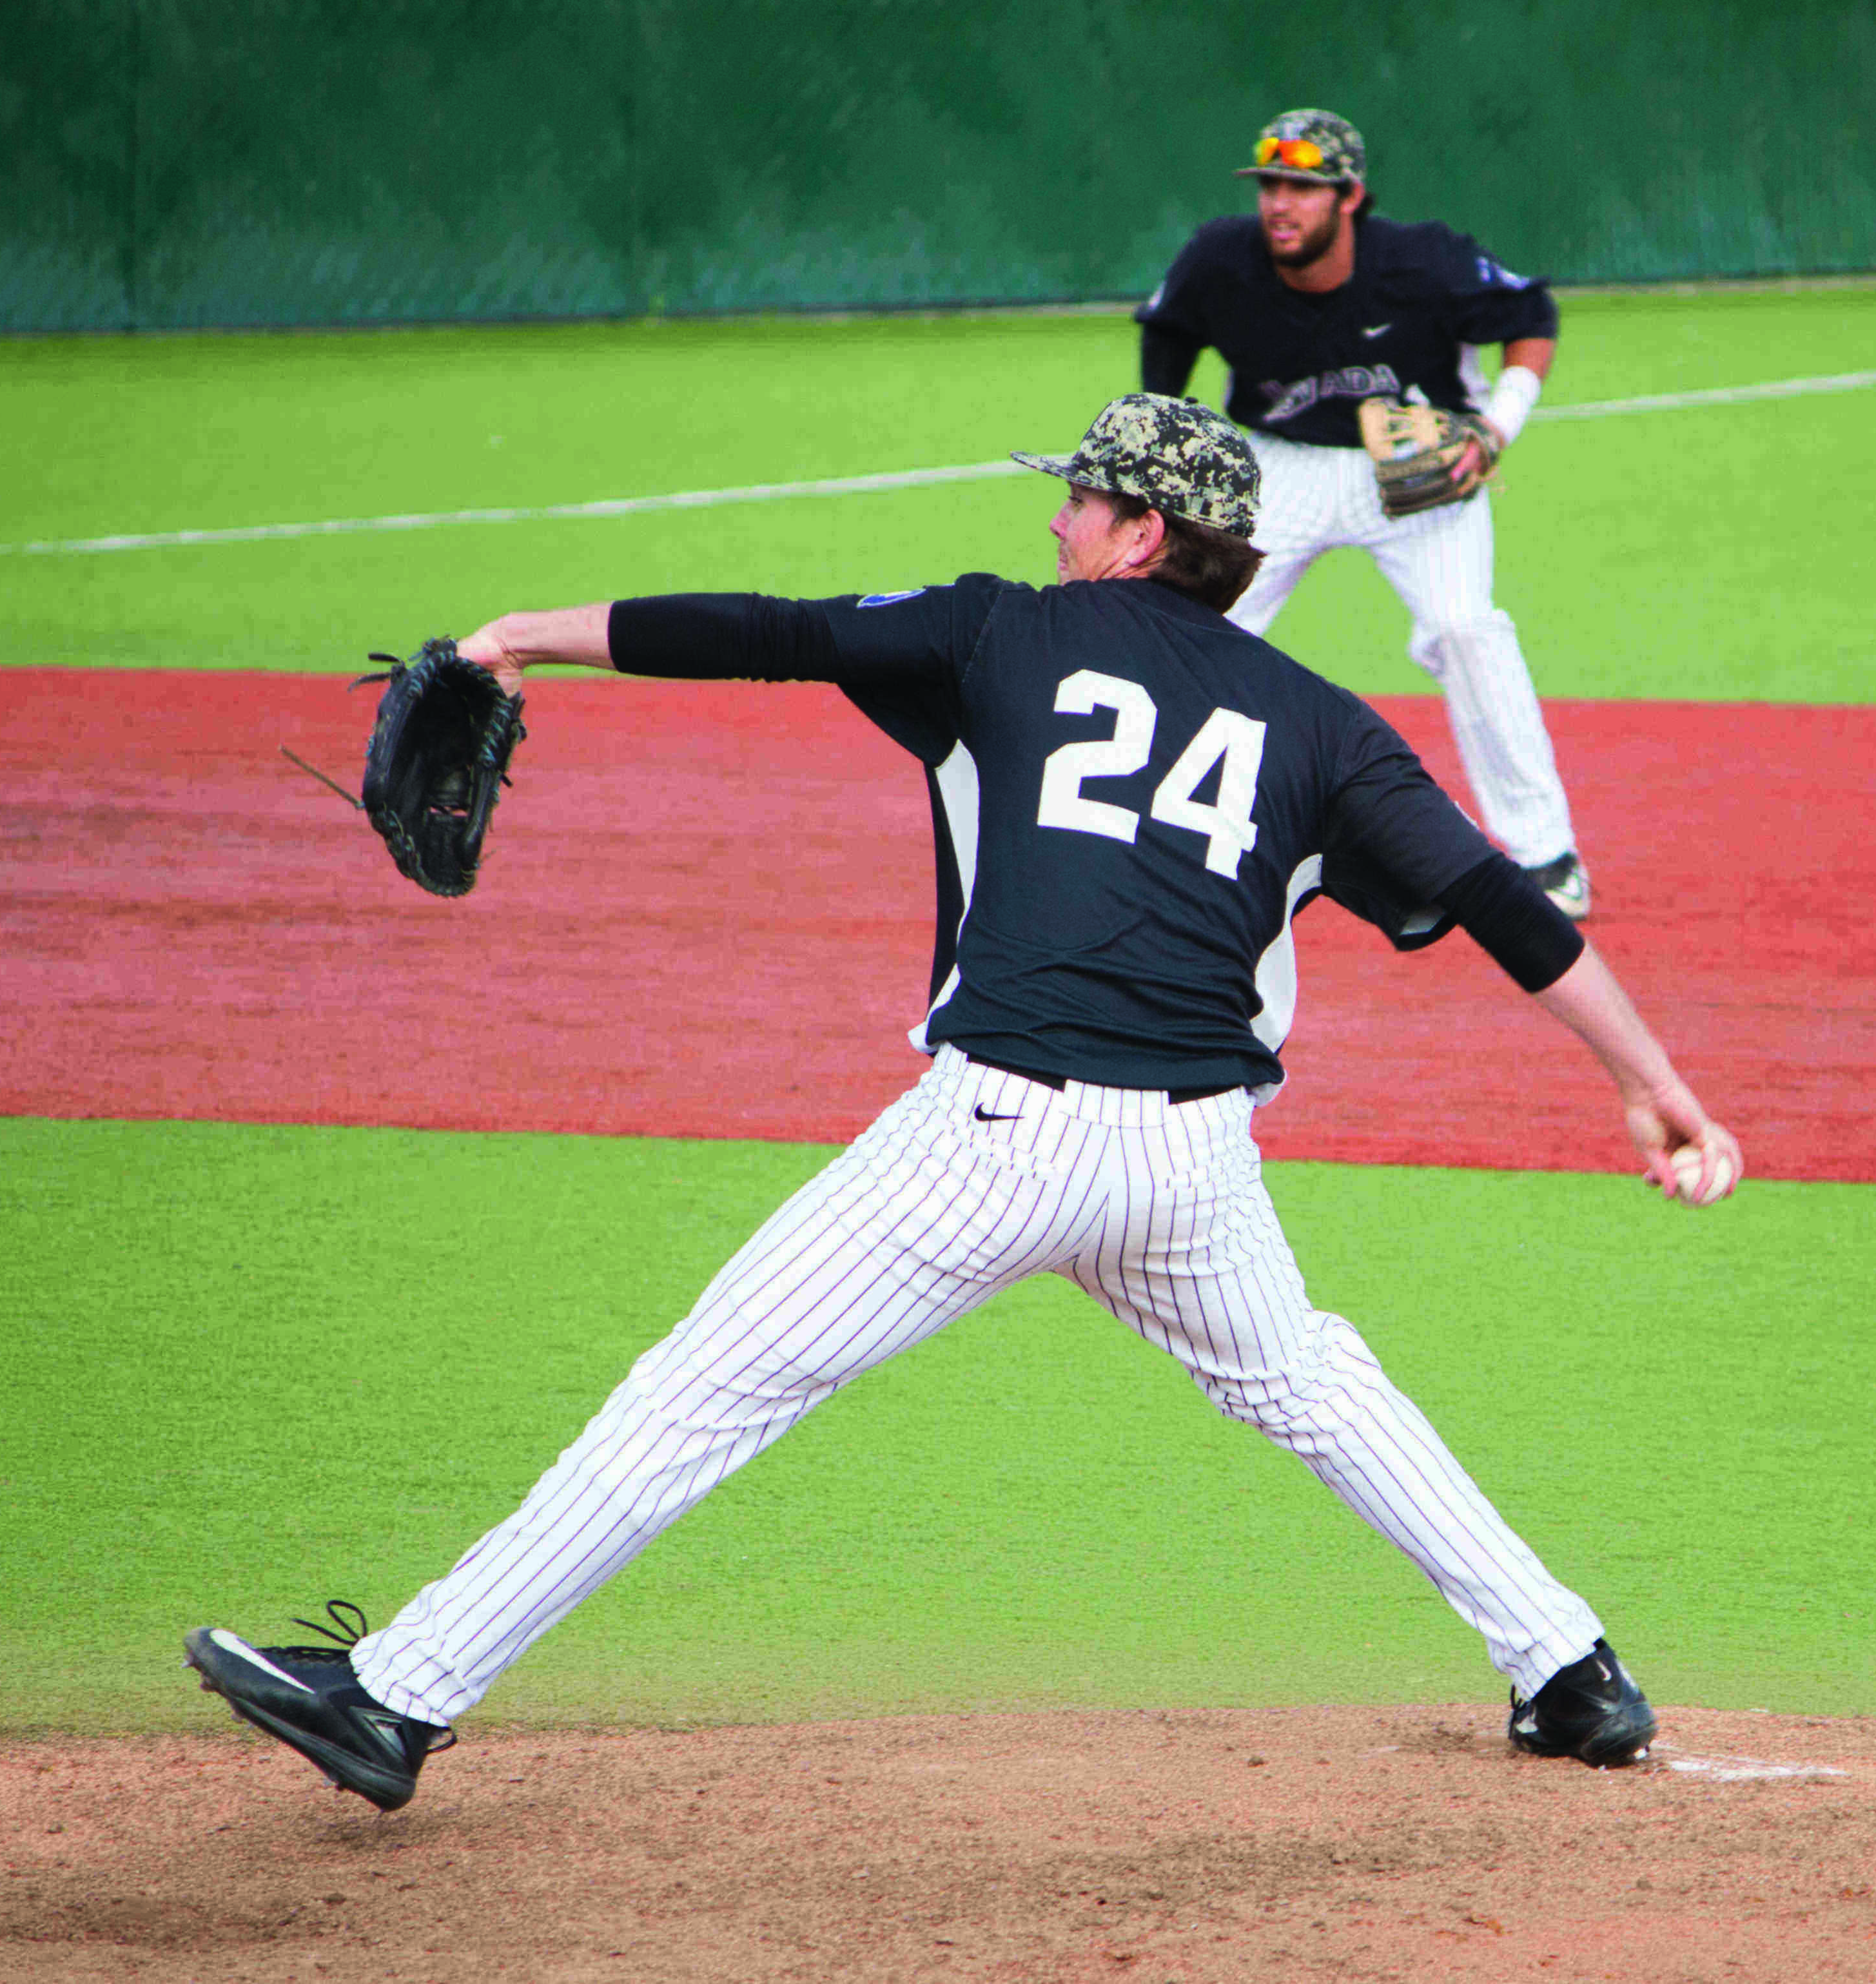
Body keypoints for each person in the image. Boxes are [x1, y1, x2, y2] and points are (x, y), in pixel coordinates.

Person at [182, 393, 1741, 1812]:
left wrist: (522, 630)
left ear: (1143, 534)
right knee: (1314, 1387)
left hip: (995, 1134)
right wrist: (1652, 1085)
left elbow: (760, 629)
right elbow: (1502, 900)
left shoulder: (1007, 632)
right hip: (1191, 1161)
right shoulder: (1323, 720)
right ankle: (1570, 1669)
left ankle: (397, 1694)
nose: (1057, 516)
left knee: (703, 1385)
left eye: (1082, 499)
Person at [1137, 108, 1594, 920]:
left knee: (1465, 628)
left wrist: (1496, 428)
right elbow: (1167, 341)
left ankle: (1545, 853)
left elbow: (1531, 319)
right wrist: (1154, 470)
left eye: (1303, 187)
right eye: (1271, 185)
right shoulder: (1219, 259)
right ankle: (1144, 831)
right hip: (1277, 465)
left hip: (1415, 468)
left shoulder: (1423, 261)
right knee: (1189, 626)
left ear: (1349, 196)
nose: (1281, 203)